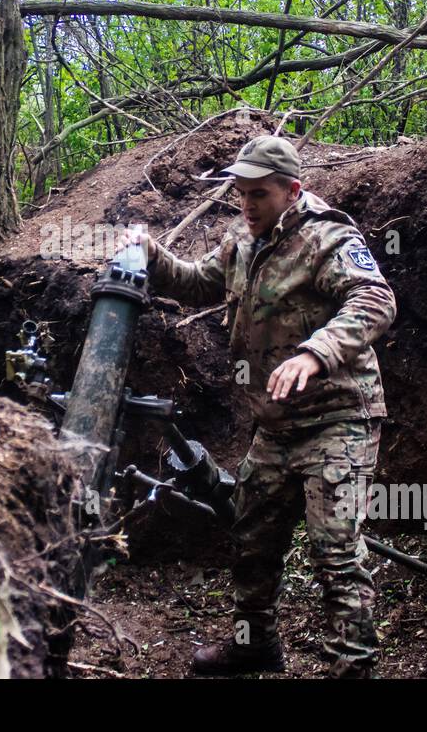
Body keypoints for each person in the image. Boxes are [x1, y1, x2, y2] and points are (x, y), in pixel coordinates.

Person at [118, 134, 396, 678]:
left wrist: (316, 353)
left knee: (335, 553)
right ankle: (254, 645)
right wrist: (153, 255)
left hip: (337, 418)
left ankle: (353, 669)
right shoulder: (241, 242)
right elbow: (198, 284)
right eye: (239, 193)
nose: (246, 204)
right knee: (251, 540)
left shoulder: (328, 238)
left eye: (259, 194)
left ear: (292, 191)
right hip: (275, 426)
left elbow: (375, 299)